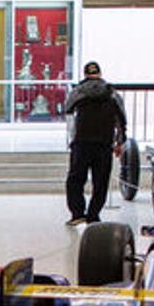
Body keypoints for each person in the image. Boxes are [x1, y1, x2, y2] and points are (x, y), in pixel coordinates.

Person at [60, 61, 127, 225]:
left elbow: (68, 113)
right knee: (101, 182)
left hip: (82, 142)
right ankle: (93, 215)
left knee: (75, 180)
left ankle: (77, 213)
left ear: (85, 74)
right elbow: (121, 120)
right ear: (100, 74)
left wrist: (71, 139)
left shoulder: (78, 92)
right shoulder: (112, 93)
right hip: (104, 143)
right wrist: (120, 142)